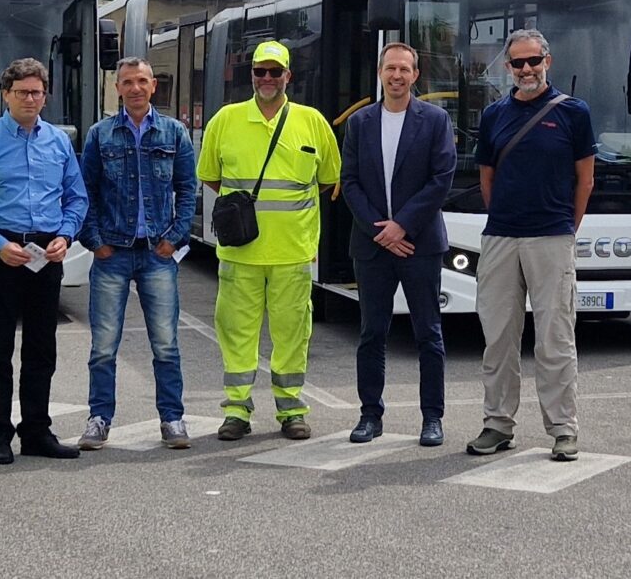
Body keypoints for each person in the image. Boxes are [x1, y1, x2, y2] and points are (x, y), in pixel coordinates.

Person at [197, 40, 340, 442]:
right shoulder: (225, 120)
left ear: (288, 77)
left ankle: (291, 408)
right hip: (240, 252)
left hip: (293, 252)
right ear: (252, 75)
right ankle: (237, 410)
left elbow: (330, 180)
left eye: (275, 72)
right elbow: (209, 175)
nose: (266, 78)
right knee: (236, 332)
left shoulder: (312, 122)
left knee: (293, 333)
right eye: (260, 71)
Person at [0, 57, 89, 463]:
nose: (30, 98)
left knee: (41, 348)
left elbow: (76, 196)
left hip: (46, 253)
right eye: (22, 92)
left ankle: (36, 431)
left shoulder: (59, 141)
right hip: (2, 253)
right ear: (5, 95)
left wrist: (66, 235)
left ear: (45, 95)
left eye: (37, 92)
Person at [468, 28, 595, 462]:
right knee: (499, 337)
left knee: (555, 338)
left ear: (548, 61)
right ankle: (497, 424)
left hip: (551, 237)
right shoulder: (493, 116)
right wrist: (505, 217)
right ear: (507, 68)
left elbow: (586, 179)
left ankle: (563, 429)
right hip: (502, 236)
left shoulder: (574, 114)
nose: (526, 70)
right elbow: (487, 178)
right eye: (518, 63)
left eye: (533, 61)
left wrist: (565, 227)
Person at [76, 57, 198, 451]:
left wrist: (175, 238)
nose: (135, 88)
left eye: (142, 81)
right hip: (113, 252)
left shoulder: (174, 132)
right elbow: (85, 192)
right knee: (103, 346)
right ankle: (99, 418)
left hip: (157, 253)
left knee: (165, 343)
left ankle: (172, 419)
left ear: (153, 86)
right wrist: (96, 241)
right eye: (127, 82)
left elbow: (188, 189)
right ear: (118, 88)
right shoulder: (100, 135)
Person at [340, 42, 456, 447]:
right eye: (391, 69)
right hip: (373, 247)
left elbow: (442, 178)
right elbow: (349, 182)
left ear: (415, 75)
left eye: (404, 69)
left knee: (428, 332)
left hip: (419, 244)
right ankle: (370, 415)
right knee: (373, 333)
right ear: (380, 72)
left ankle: (432, 418)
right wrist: (381, 231)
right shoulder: (360, 123)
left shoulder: (436, 120)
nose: (397, 76)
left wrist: (402, 226)